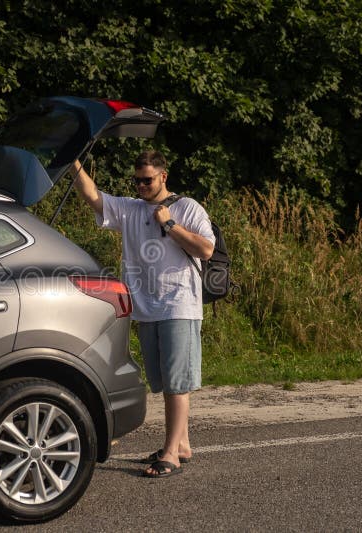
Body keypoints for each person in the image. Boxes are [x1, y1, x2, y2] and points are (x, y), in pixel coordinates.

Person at [70, 150, 214, 478]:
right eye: (136, 180)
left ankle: (170, 455)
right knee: (162, 382)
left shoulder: (187, 207)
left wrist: (170, 224)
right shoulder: (131, 209)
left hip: (179, 305)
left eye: (147, 180)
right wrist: (74, 163)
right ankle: (182, 444)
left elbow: (206, 249)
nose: (141, 186)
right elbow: (93, 197)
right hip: (146, 309)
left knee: (177, 384)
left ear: (164, 176)